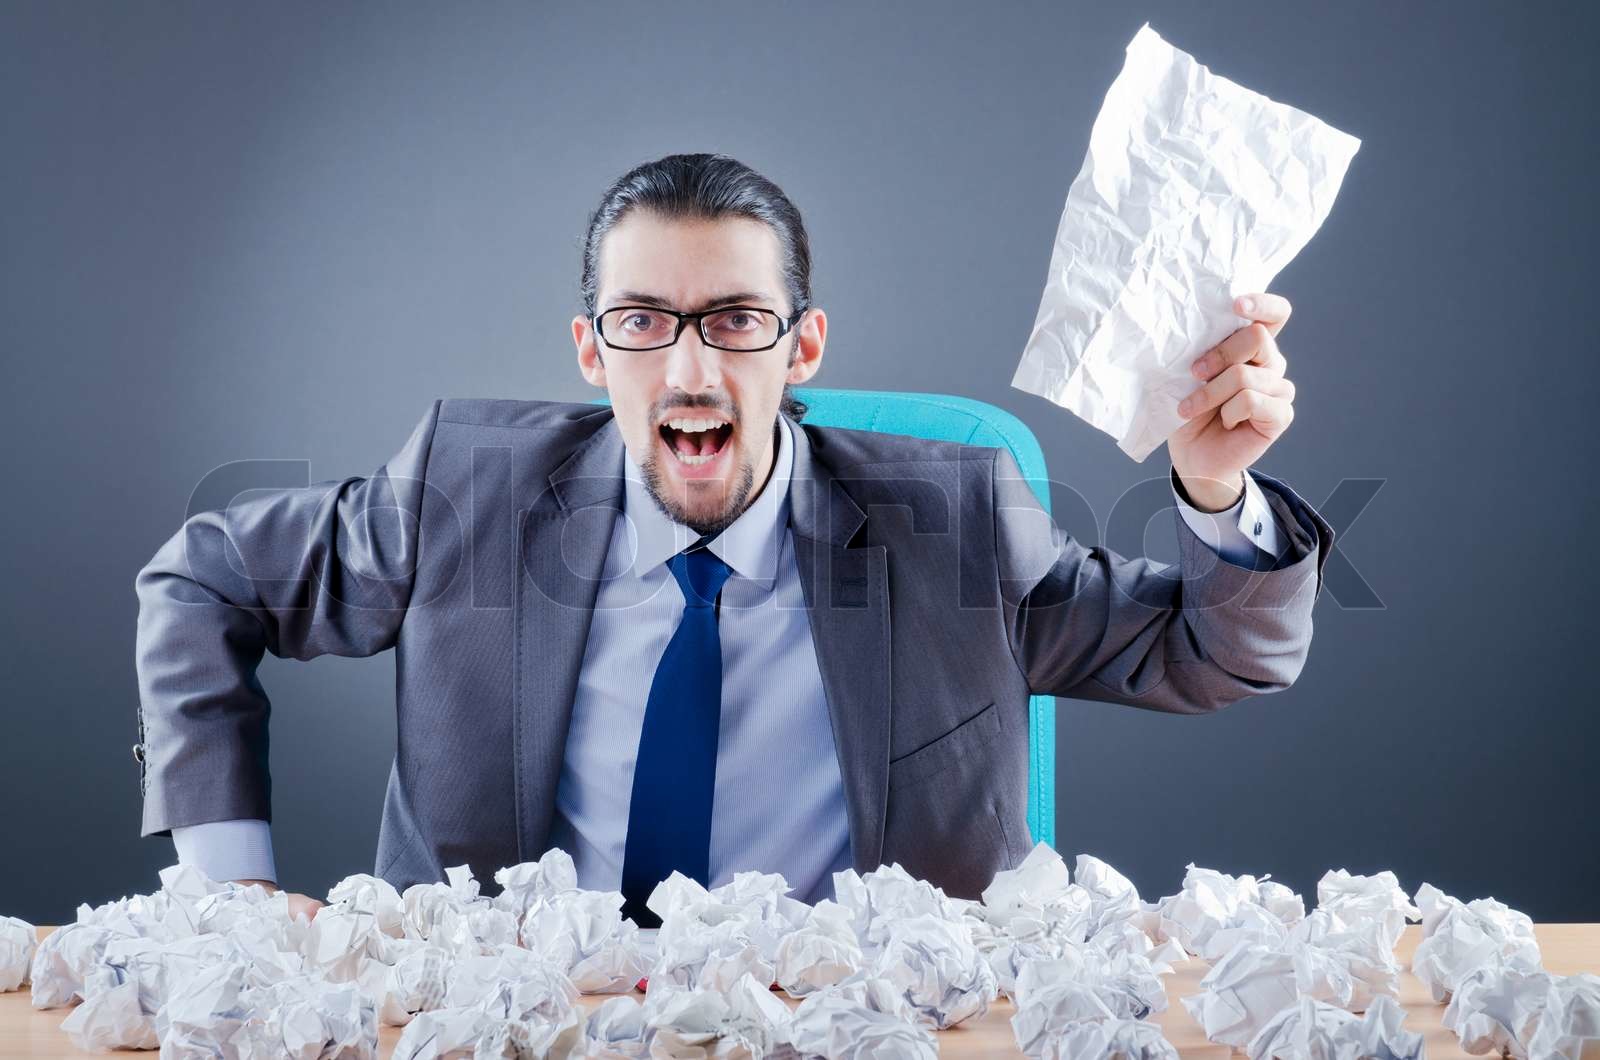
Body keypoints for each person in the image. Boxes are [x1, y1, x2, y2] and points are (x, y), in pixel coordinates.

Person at [134, 153, 1331, 925]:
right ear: (592, 351)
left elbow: (1214, 651)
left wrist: (1214, 485)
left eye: (737, 321)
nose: (692, 368)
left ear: (801, 347)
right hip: (510, 1019)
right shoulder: (466, 489)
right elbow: (201, 580)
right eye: (645, 322)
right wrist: (228, 885)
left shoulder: (955, 521)